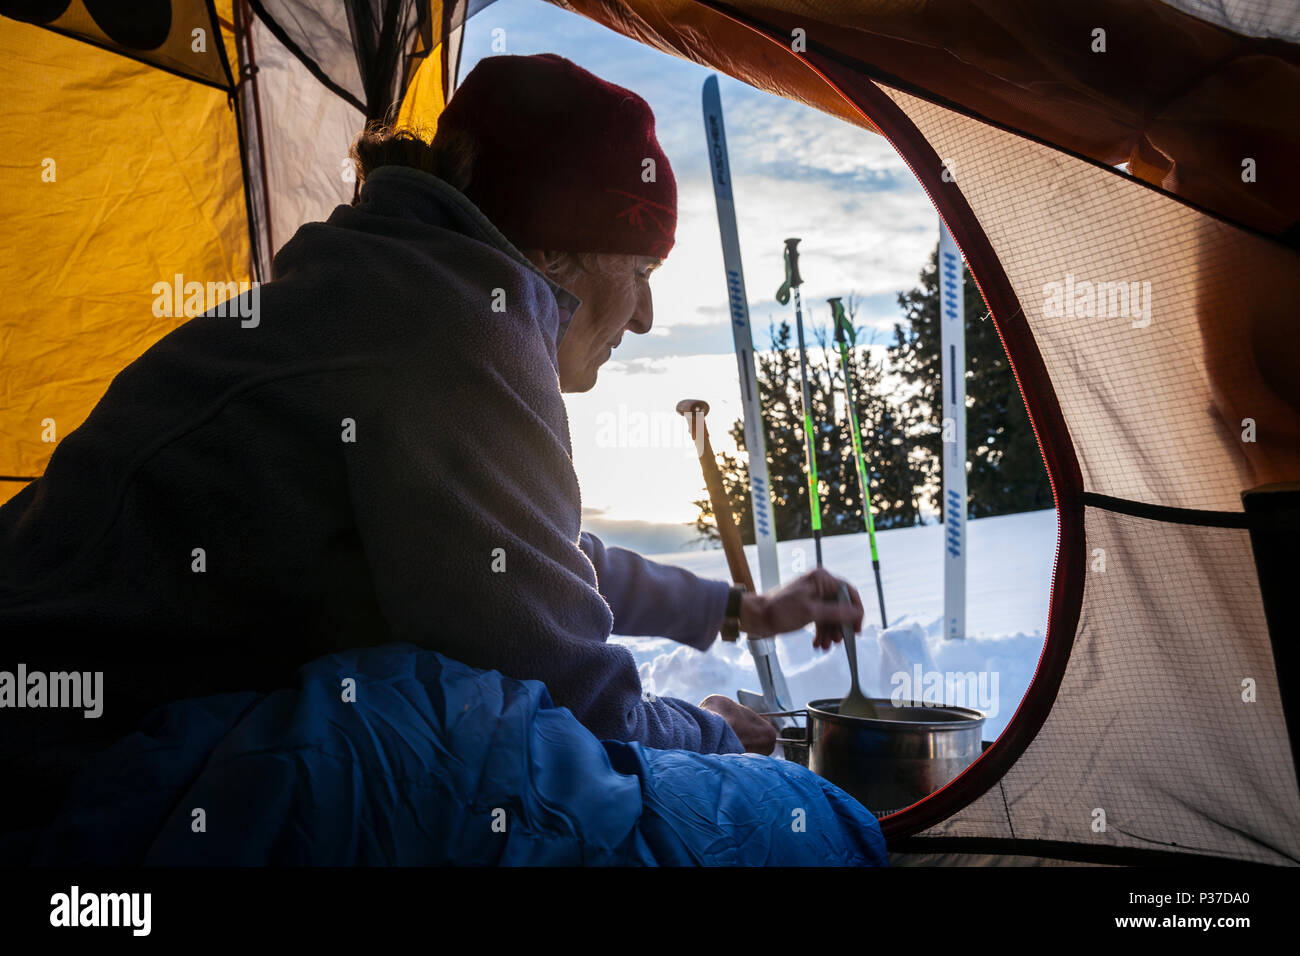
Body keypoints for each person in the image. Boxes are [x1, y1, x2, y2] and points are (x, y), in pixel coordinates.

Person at [0, 53, 862, 833]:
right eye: (639, 269)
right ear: (556, 251)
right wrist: (716, 733)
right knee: (777, 820)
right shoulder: (456, 329)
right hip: (69, 793)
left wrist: (735, 610)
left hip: (77, 745)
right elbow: (575, 700)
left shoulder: (398, 287)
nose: (643, 314)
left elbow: (522, 551)